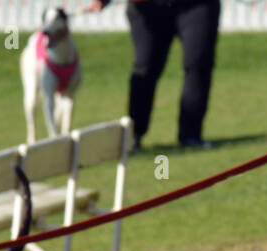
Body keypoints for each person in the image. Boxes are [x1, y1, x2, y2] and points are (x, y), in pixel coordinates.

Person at [87, 0, 221, 149]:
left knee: (198, 64)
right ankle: (134, 135)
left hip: (197, 6)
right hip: (147, 7)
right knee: (145, 68)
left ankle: (191, 136)